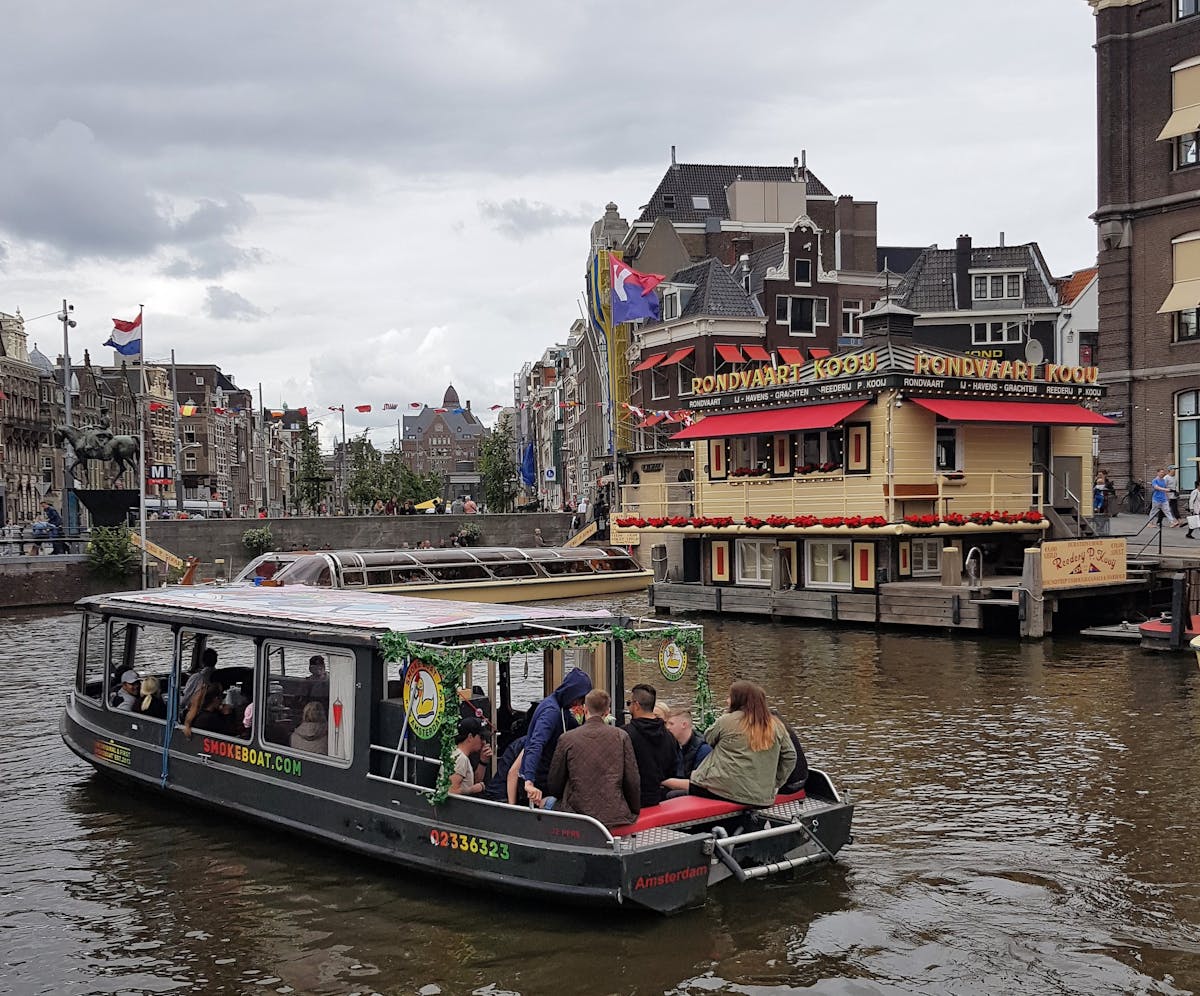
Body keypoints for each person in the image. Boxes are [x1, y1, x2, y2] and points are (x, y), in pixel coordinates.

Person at [663, 681, 797, 807]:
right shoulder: (776, 725)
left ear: (738, 700)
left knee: (671, 795)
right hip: (762, 796)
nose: (727, 701)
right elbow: (790, 756)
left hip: (724, 791)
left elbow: (708, 738)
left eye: (729, 697)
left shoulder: (727, 721)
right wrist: (775, 782)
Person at [546, 689, 641, 827]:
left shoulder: (566, 738)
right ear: (607, 711)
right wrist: (633, 811)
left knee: (546, 802)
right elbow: (632, 780)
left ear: (585, 709)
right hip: (615, 815)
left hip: (577, 815)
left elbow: (554, 784)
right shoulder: (621, 736)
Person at [518, 667, 592, 806]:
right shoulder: (551, 712)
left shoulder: (562, 708)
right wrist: (529, 780)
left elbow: (577, 731)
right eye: (580, 699)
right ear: (571, 693)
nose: (579, 704)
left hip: (546, 777)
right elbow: (536, 743)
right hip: (539, 783)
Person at [623, 683, 681, 809]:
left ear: (637, 705)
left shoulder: (625, 735)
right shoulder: (669, 737)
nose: (629, 707)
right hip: (660, 800)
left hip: (632, 802)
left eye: (629, 703)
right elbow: (674, 769)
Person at [449, 717, 493, 795]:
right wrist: (473, 789)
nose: (484, 742)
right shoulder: (460, 758)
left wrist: (483, 761)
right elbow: (451, 791)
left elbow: (474, 782)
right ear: (470, 737)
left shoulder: (460, 755)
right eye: (481, 737)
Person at [666, 707, 712, 779]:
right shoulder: (671, 745)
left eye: (671, 724)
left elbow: (700, 784)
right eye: (666, 724)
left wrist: (663, 781)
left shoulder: (703, 750)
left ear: (684, 725)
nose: (667, 727)